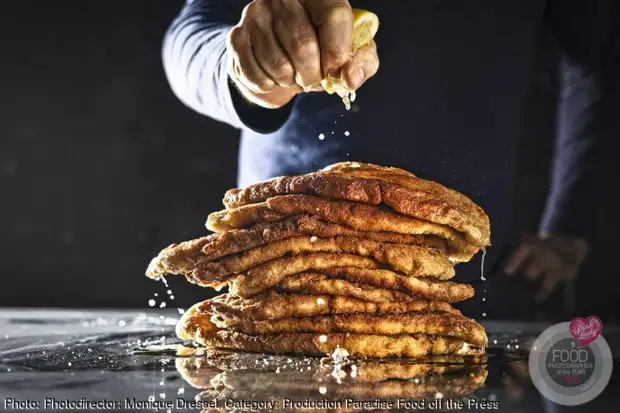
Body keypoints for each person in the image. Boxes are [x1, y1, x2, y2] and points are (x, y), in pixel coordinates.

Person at [161, 0, 619, 309]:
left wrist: (573, 222)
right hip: (279, 259)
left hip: (469, 271)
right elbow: (188, 35)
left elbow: (600, 55)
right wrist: (242, 70)